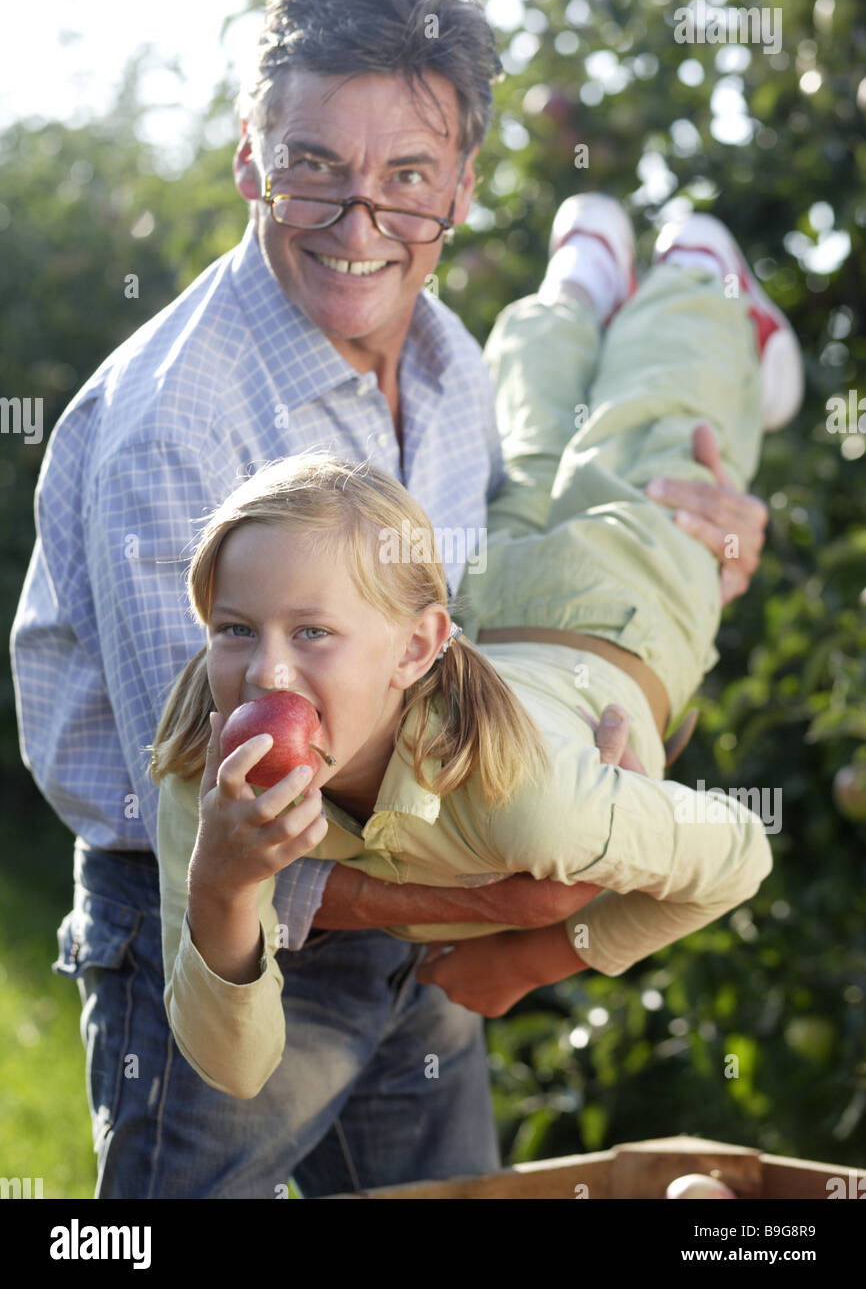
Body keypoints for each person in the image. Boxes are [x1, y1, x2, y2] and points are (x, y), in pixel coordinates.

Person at [10, 0, 772, 1200]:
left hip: (420, 866)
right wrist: (513, 894)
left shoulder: (446, 362)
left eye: (405, 179)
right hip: (213, 907)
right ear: (252, 157)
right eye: (314, 169)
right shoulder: (173, 433)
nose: (359, 226)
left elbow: (451, 619)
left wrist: (684, 561)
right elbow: (212, 792)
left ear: (461, 188)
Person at [151, 201, 795, 1104]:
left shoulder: (529, 804)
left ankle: (697, 267)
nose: (266, 673)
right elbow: (235, 1069)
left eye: (312, 632)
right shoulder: (206, 775)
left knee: (653, 423)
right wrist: (219, 891)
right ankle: (576, 283)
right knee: (538, 445)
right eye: (234, 628)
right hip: (495, 610)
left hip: (623, 599)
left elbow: (739, 853)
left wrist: (539, 955)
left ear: (415, 648)